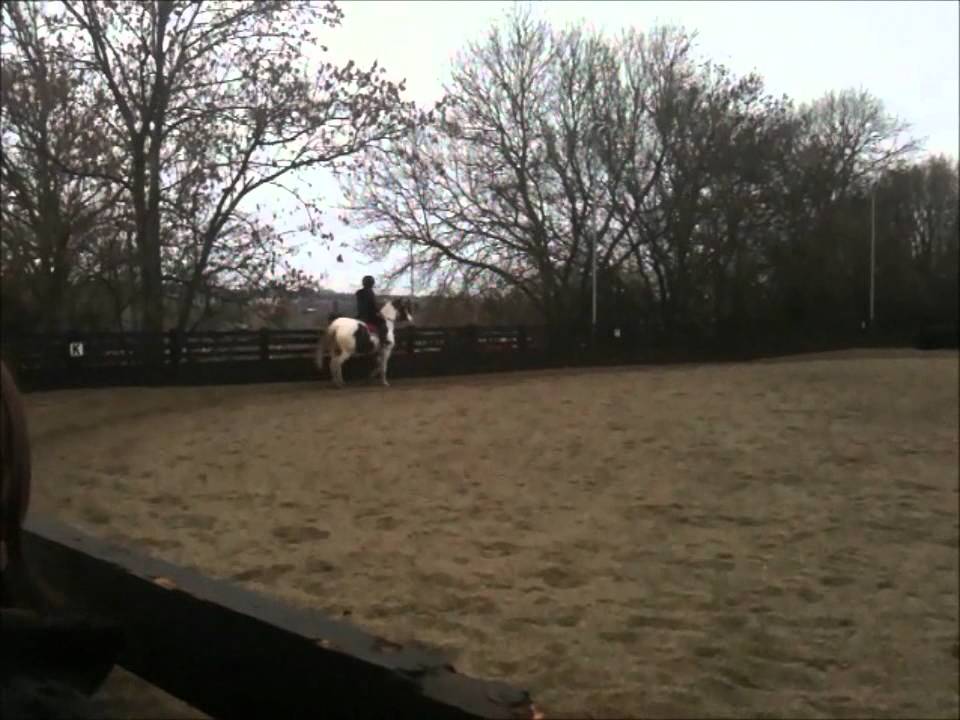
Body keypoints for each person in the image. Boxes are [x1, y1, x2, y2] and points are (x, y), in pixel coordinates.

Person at [355, 275, 387, 345]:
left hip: (360, 315)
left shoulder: (359, 292)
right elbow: (372, 306)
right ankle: (383, 340)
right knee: (383, 322)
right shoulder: (370, 292)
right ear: (371, 283)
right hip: (369, 316)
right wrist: (379, 312)